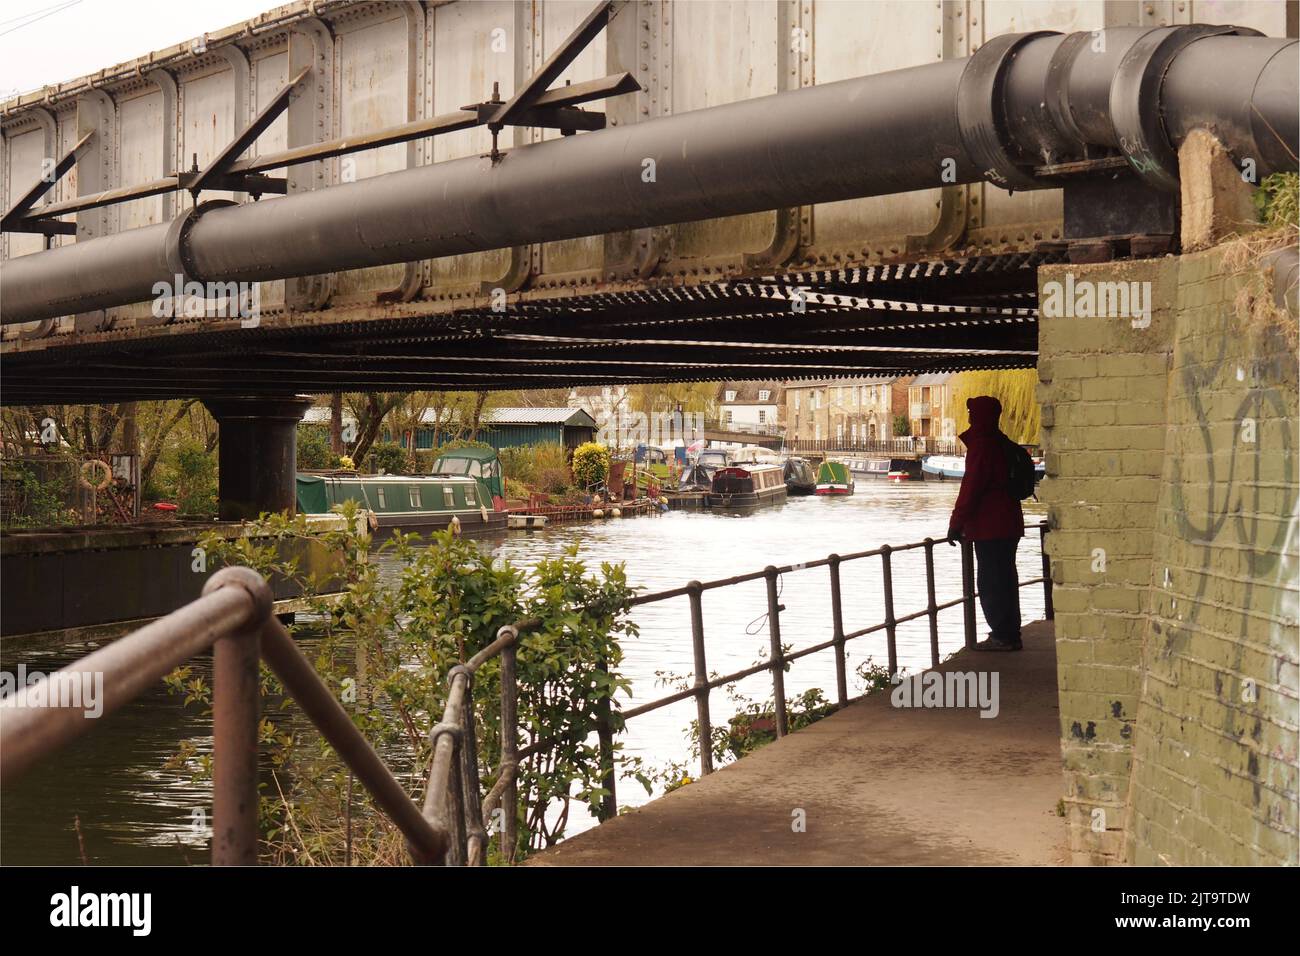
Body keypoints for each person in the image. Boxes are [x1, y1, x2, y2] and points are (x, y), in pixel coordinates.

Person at [947, 396, 1024, 651]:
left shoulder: (982, 447)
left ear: (979, 416)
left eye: (971, 412)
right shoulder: (1001, 443)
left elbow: (971, 489)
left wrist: (955, 524)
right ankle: (1010, 633)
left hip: (990, 526)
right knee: (1006, 579)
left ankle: (1002, 636)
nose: (968, 416)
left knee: (991, 582)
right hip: (1009, 522)